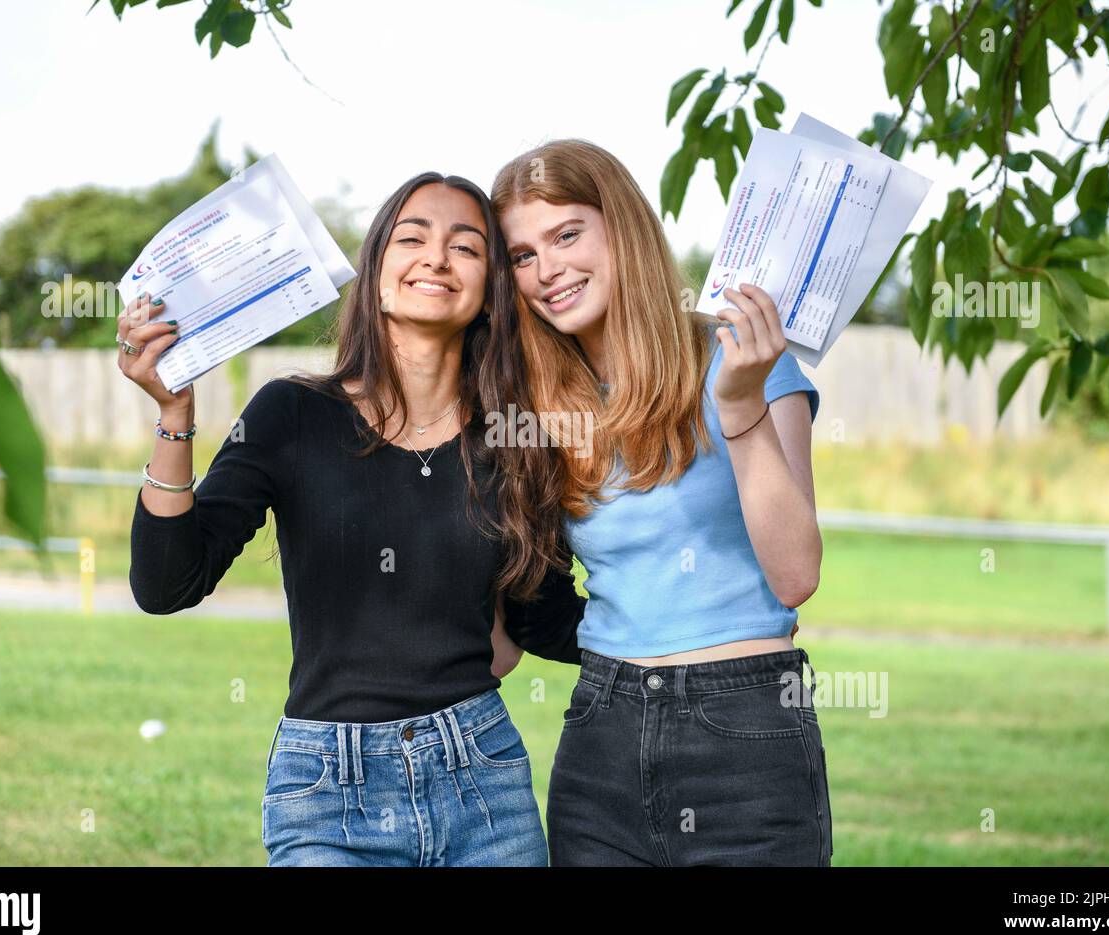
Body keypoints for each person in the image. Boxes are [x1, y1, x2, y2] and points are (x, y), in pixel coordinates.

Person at [122, 171, 581, 866]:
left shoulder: (515, 437)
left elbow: (540, 620)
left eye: (465, 246)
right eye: (412, 238)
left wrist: (708, 631)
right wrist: (175, 415)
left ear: (490, 288)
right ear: (373, 273)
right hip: (328, 791)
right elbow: (166, 584)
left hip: (484, 780)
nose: (435, 258)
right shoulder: (291, 415)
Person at [491, 139, 832, 866]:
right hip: (600, 728)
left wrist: (738, 407)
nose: (547, 270)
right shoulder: (540, 401)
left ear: (623, 226)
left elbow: (796, 574)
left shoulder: (745, 359)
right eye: (523, 256)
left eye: (567, 234)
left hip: (744, 724)